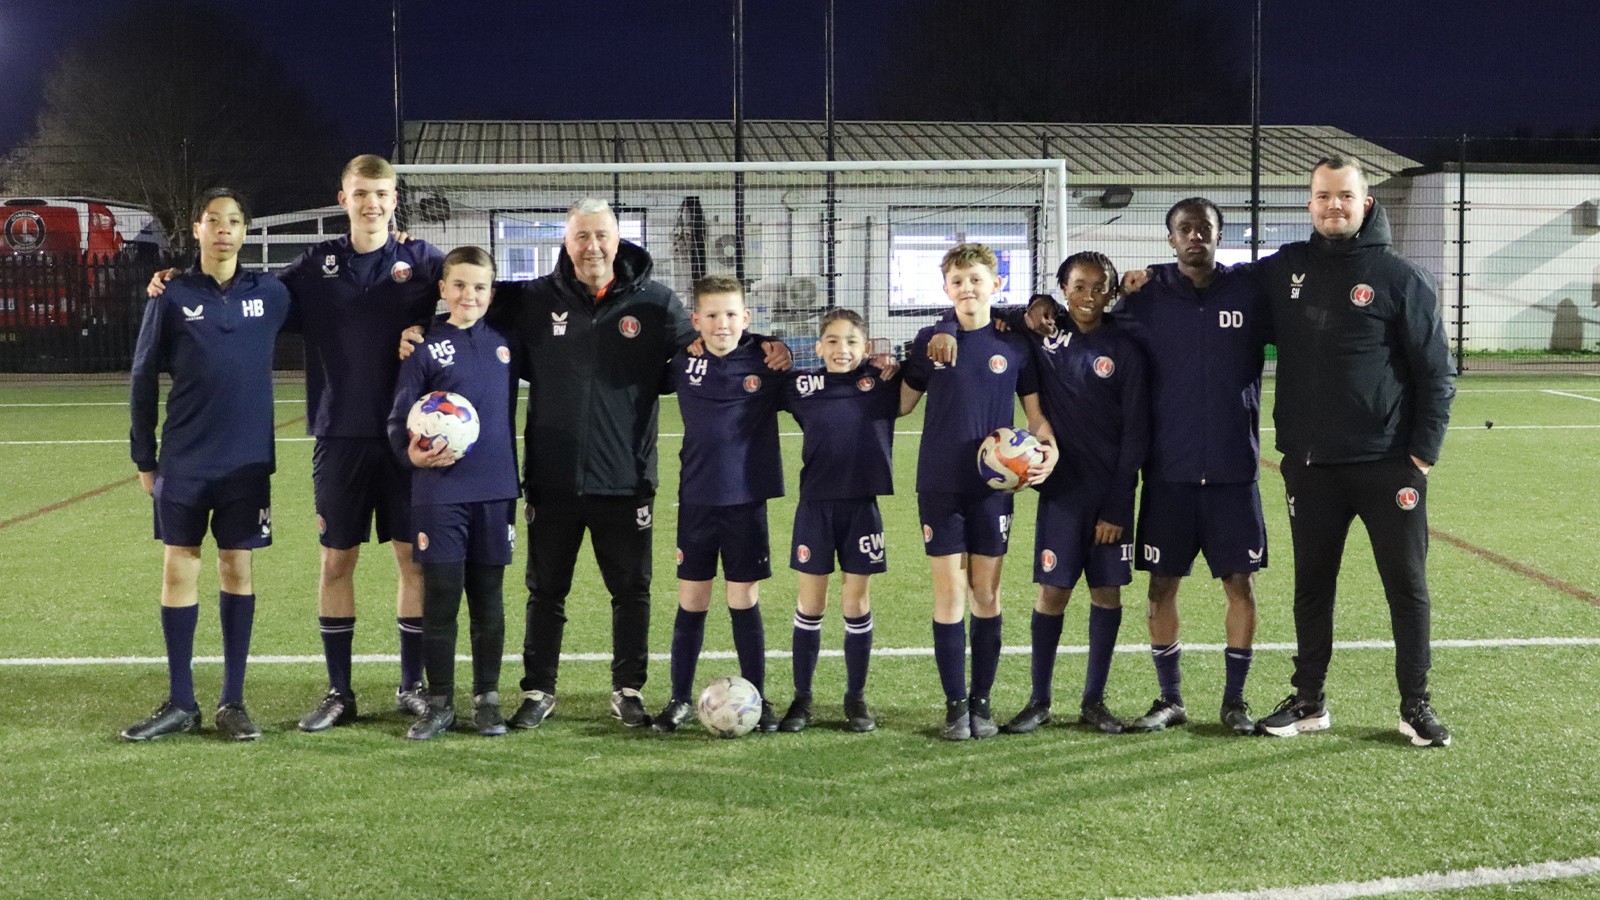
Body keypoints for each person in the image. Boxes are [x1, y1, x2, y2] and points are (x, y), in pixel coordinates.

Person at [411, 198, 788, 731]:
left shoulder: (656, 303)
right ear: (567, 242)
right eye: (581, 236)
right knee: (545, 592)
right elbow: (466, 306)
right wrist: (418, 328)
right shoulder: (534, 298)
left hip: (626, 478)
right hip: (552, 476)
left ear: (617, 240)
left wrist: (765, 344)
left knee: (631, 592)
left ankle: (627, 689)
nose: (592, 246)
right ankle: (539, 690)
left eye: (601, 236)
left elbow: (711, 343)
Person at [150, 155, 445, 730]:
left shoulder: (424, 260)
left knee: (413, 561)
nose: (372, 203)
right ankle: (340, 692)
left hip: (408, 438)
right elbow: (244, 292)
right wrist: (177, 280)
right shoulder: (317, 264)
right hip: (338, 435)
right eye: (361, 193)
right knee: (335, 562)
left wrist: (427, 328)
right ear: (343, 198)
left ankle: (412, 685)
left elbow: (475, 300)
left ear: (394, 198)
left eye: (382, 193)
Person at [1253, 155, 1456, 747]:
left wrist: (1421, 455)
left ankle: (1416, 705)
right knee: (1312, 587)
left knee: (1406, 586)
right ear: (1310, 203)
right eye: (1323, 196)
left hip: (1387, 464)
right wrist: (1151, 279)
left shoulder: (1400, 277)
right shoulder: (1285, 268)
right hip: (1310, 467)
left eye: (1344, 196)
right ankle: (1309, 701)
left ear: (1366, 203)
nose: (1333, 206)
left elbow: (1437, 373)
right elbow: (1213, 288)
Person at [123, 188, 292, 742]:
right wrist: (144, 456)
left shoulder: (272, 293)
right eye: (214, 220)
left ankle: (232, 703)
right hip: (186, 458)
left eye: (234, 221)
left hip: (246, 463)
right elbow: (142, 376)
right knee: (180, 567)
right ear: (196, 229)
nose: (224, 230)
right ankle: (181, 702)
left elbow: (341, 307)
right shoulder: (171, 295)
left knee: (237, 568)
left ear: (245, 231)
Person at [1109, 198, 1272, 736]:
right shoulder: (1146, 296)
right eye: (1185, 229)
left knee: (1240, 586)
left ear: (1220, 234)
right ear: (1171, 239)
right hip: (1168, 473)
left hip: (1233, 471)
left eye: (1204, 228)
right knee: (1161, 587)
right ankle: (1171, 698)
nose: (1195, 236)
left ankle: (1234, 701)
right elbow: (1082, 317)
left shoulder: (1249, 291)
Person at [900, 242, 1057, 741]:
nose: (967, 288)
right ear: (946, 289)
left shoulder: (1014, 345)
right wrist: (878, 368)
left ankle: (982, 702)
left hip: (993, 491)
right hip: (939, 484)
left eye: (975, 279)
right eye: (957, 281)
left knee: (985, 593)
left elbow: (1036, 417)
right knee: (949, 593)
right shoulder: (930, 341)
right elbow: (900, 404)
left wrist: (1048, 449)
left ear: (996, 285)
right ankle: (955, 707)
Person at [999, 254, 1150, 737]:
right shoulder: (1045, 332)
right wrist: (1032, 304)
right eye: (1079, 286)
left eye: (1099, 287)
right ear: (1063, 288)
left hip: (1109, 496)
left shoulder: (1125, 348)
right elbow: (991, 314)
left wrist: (1117, 506)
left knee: (1106, 593)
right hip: (1061, 493)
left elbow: (1136, 434)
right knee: (1053, 592)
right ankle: (1039, 700)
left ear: (1112, 293)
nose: (1088, 296)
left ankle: (1094, 701)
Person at [386, 246, 519, 740]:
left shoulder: (506, 344)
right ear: (442, 289)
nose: (469, 295)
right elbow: (398, 420)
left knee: (488, 598)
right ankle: (439, 702)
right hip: (438, 492)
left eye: (479, 287)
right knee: (441, 595)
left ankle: (487, 699)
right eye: (459, 285)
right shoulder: (424, 347)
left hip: (496, 490)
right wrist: (410, 455)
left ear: (492, 293)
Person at [651, 276, 786, 734]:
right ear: (696, 320)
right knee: (692, 600)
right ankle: (678, 699)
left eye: (731, 314)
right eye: (711, 315)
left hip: (746, 502)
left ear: (746, 318)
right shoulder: (682, 362)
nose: (721, 323)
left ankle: (759, 698)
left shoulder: (767, 362)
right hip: (696, 500)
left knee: (743, 599)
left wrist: (773, 344)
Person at [774, 308, 902, 734]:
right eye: (831, 340)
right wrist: (770, 346)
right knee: (811, 604)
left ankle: (855, 698)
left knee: (855, 603)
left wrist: (894, 364)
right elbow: (761, 378)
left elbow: (919, 376)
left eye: (851, 341)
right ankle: (802, 699)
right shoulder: (802, 386)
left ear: (866, 347)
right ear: (818, 347)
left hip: (862, 508)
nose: (841, 349)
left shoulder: (881, 383)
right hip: (815, 506)